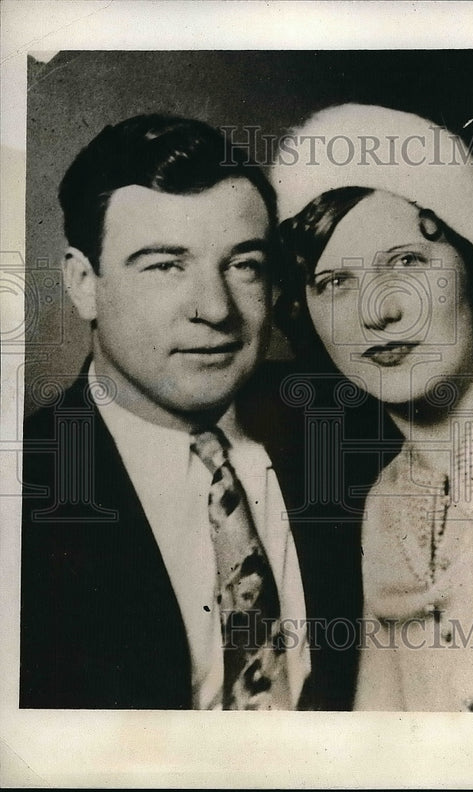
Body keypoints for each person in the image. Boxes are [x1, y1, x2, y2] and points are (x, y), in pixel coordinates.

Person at [20, 114, 380, 710]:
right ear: (84, 283)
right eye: (166, 265)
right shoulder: (24, 488)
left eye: (244, 265)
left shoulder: (349, 424)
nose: (215, 309)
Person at [272, 104, 473, 712]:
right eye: (334, 282)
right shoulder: (387, 505)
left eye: (407, 262)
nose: (378, 311)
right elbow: (378, 732)